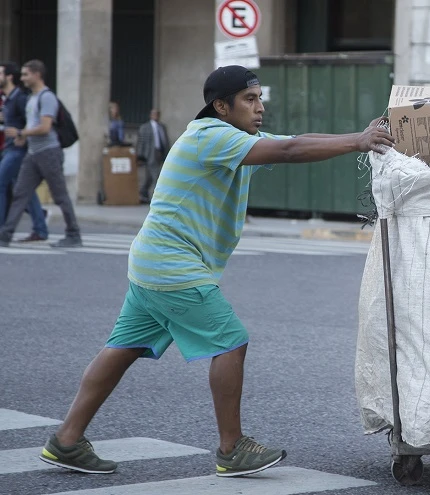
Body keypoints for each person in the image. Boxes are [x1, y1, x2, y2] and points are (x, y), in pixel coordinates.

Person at [35, 65, 394, 477]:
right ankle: (231, 449)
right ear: (221, 106)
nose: (259, 108)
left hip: (153, 262)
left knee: (123, 348)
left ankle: (65, 440)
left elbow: (296, 142)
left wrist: (359, 137)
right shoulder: (210, 137)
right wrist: (359, 141)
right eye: (249, 100)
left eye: (260, 100)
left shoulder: (237, 137)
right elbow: (290, 151)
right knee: (230, 342)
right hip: (173, 266)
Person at [0, 59, 80, 248]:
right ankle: (6, 234)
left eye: (26, 74)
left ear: (37, 75)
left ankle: (73, 234)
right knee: (21, 193)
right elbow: (31, 124)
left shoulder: (46, 97)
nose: (23, 78)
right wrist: (23, 138)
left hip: (49, 153)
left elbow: (45, 127)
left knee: (59, 195)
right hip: (33, 153)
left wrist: (22, 133)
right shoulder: (32, 98)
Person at [0, 61, 48, 242]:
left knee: (2, 185)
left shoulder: (20, 98)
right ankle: (40, 227)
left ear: (8, 77)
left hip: (18, 150)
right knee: (24, 190)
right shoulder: (9, 99)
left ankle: (3, 228)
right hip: (11, 149)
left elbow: (32, 121)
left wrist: (22, 134)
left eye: (0, 73)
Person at [136, 108, 169, 203]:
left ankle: (143, 192)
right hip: (150, 154)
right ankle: (156, 198)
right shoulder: (145, 127)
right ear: (150, 115)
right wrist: (140, 156)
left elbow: (165, 141)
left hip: (160, 153)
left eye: (157, 114)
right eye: (154, 114)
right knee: (156, 176)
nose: (156, 116)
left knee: (149, 178)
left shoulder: (162, 127)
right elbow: (141, 142)